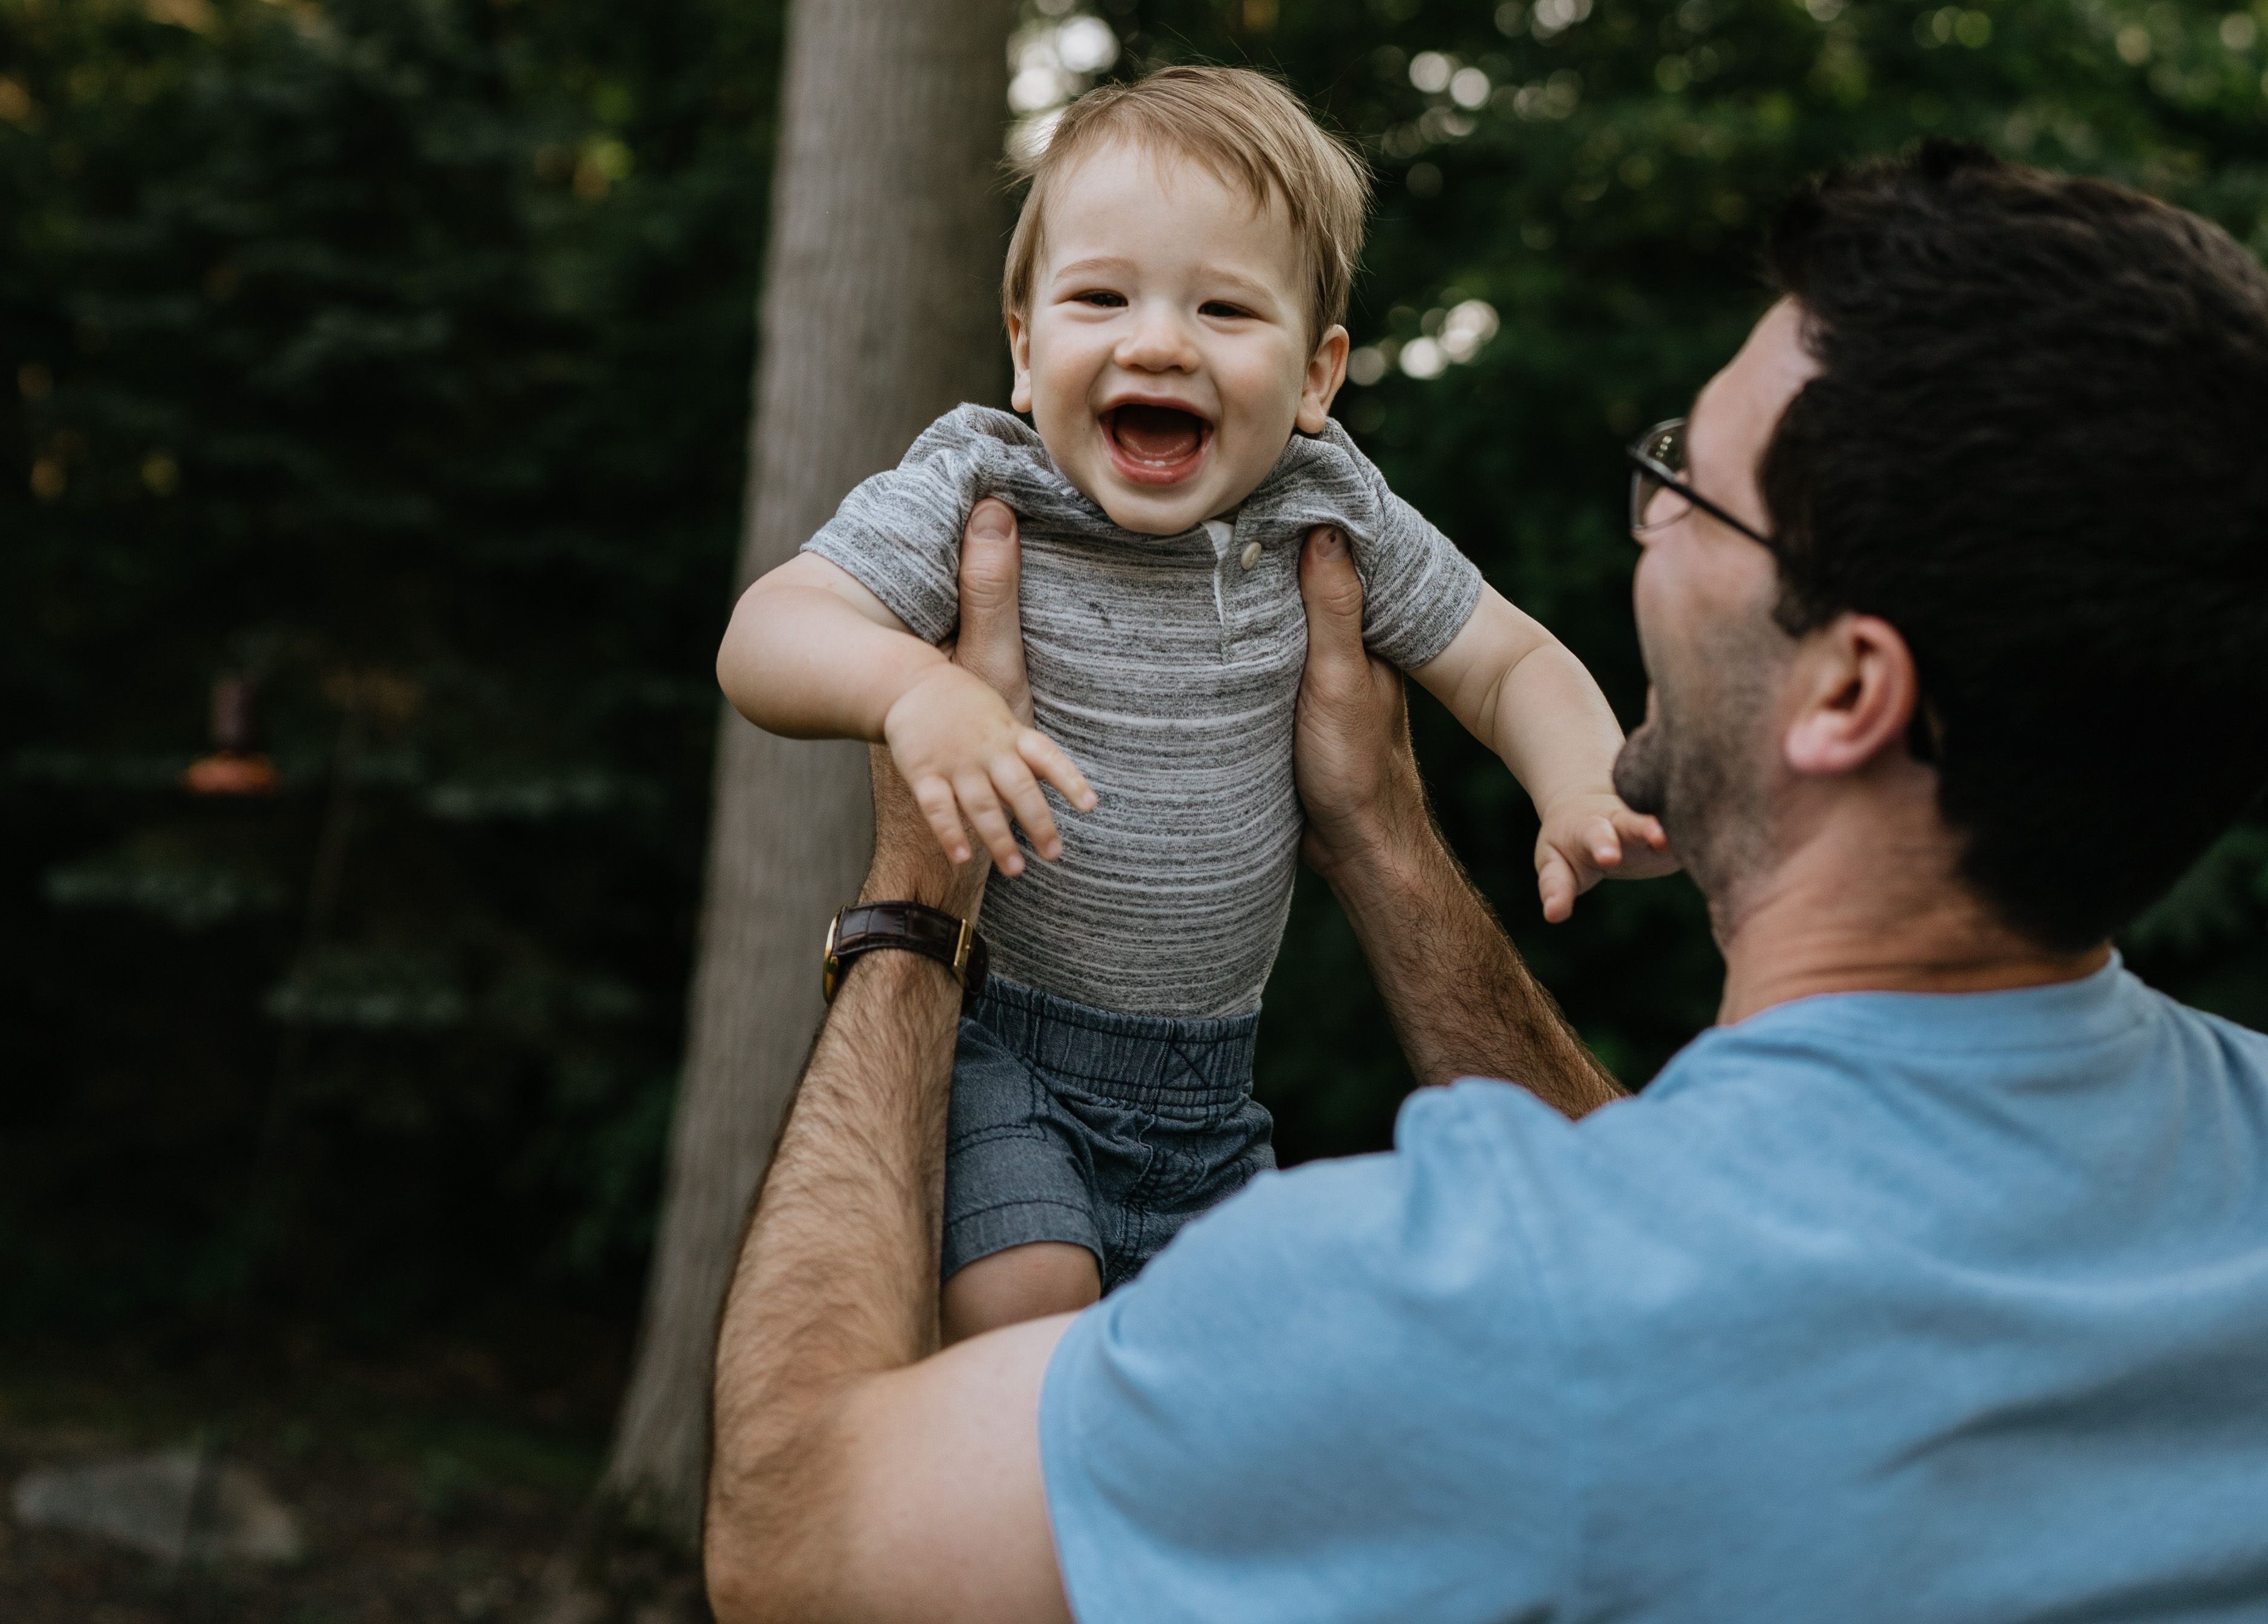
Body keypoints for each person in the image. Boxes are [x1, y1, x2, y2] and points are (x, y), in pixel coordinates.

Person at [705, 143, 2268, 1623]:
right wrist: (1377, 830)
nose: (1642, 524)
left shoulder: (1485, 1315)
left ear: (1849, 689)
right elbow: (1678, 1236)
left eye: (1685, 488)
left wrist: (914, 892)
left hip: (1186, 1093)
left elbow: (799, 1544)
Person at [715, 66, 1669, 1341]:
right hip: (1000, 1044)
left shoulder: (1327, 505)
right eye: (1100, 298)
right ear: (1024, 345)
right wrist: (913, 690)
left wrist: (1584, 783)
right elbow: (765, 634)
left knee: (1234, 1354)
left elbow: (1506, 662)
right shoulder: (980, 482)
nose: (1157, 342)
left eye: (1223, 308)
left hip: (1211, 1089)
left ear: (1317, 376)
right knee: (1030, 1293)